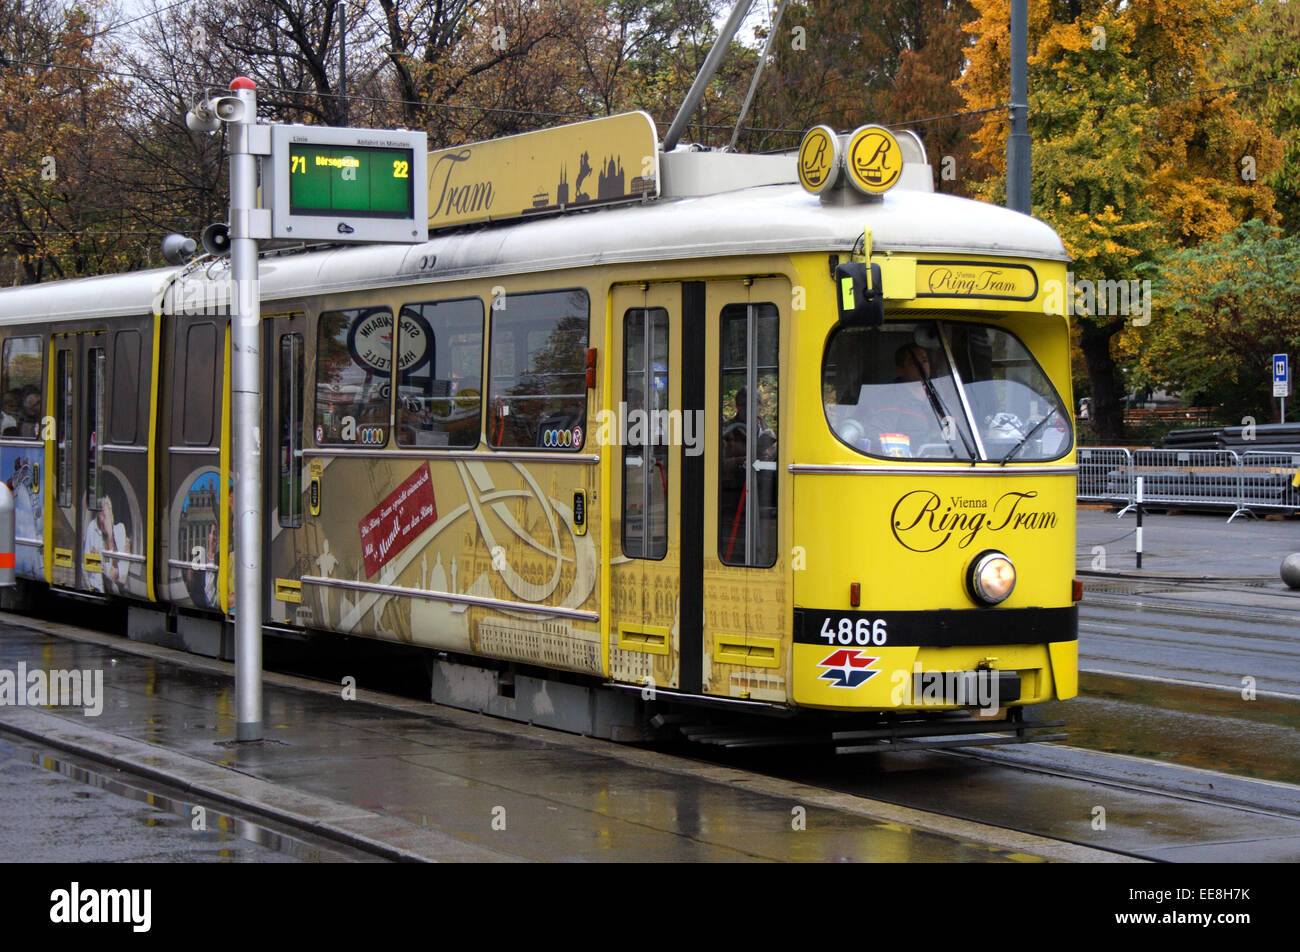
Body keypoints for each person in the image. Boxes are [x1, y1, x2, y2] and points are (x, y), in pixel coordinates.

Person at [866, 344, 946, 457]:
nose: (921, 367)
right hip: (907, 468)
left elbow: (956, 434)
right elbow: (876, 438)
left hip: (946, 464)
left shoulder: (942, 400)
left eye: (925, 361)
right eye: (914, 363)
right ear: (900, 370)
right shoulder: (887, 402)